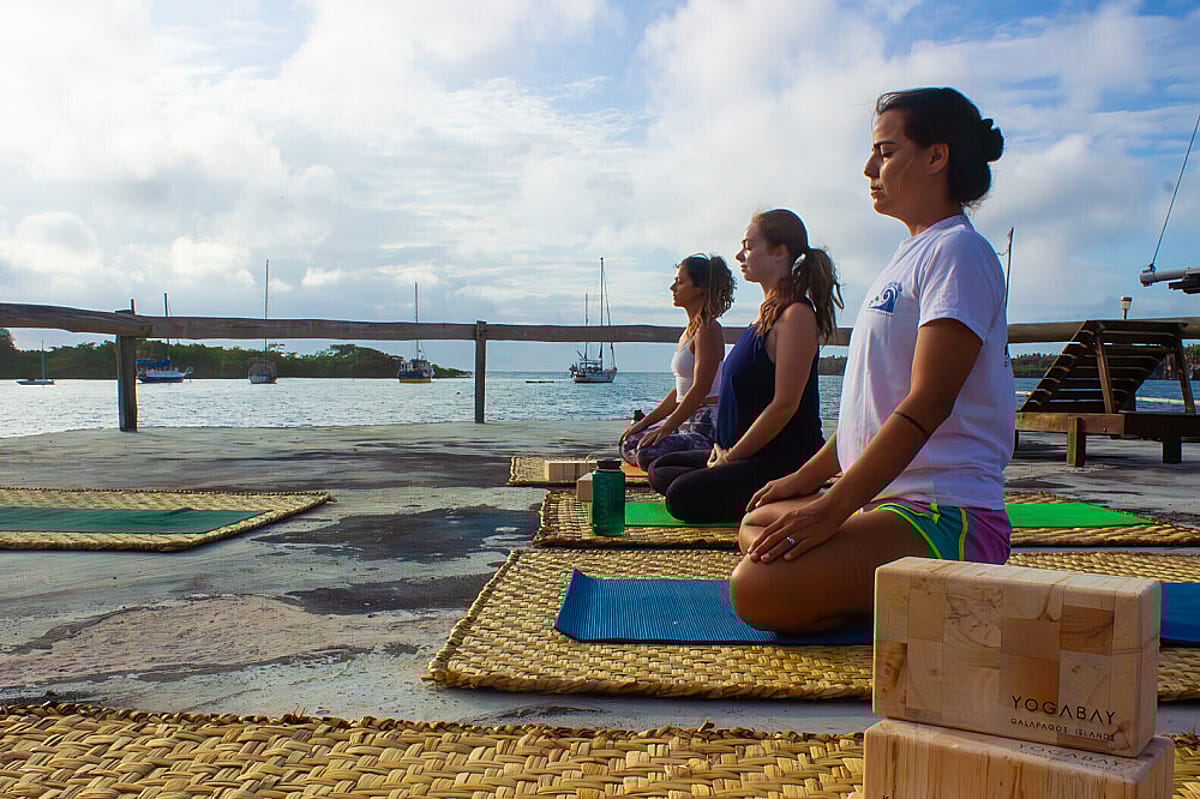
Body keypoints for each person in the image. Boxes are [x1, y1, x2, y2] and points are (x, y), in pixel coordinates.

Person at [731, 87, 1014, 635]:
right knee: (757, 521)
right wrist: (807, 478)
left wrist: (832, 507)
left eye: (885, 151)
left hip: (945, 515)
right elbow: (874, 408)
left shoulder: (958, 252)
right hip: (888, 504)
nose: (869, 167)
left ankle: (937, 593)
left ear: (937, 157)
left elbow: (928, 402)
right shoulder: (908, 256)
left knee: (753, 588)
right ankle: (888, 597)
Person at [647, 209, 842, 523]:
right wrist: (723, 450)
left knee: (680, 496)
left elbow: (785, 406)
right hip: (738, 452)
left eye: (749, 246)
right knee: (660, 469)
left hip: (779, 460)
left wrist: (730, 459)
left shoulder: (795, 316)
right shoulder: (764, 312)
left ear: (780, 252)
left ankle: (797, 496)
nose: (740, 254)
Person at [619, 254, 735, 470]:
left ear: (700, 288)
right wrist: (645, 423)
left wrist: (666, 427)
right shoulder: (689, 331)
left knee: (646, 453)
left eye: (680, 282)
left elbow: (701, 388)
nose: (673, 287)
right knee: (628, 443)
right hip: (684, 420)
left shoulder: (708, 328)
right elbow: (680, 391)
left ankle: (702, 457)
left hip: (705, 425)